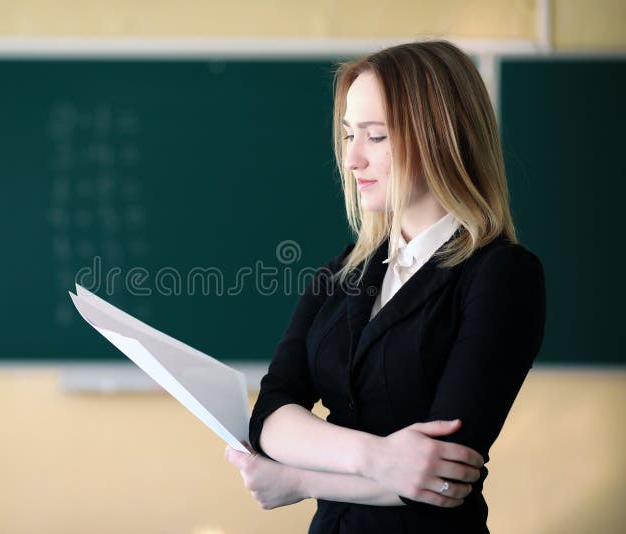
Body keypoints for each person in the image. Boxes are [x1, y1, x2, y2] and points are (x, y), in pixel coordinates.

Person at [224, 39, 546, 533]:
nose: (352, 159)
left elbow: (444, 476)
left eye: (375, 136)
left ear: (441, 137)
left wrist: (299, 479)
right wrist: (376, 458)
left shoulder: (502, 275)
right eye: (349, 134)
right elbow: (270, 415)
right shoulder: (341, 273)